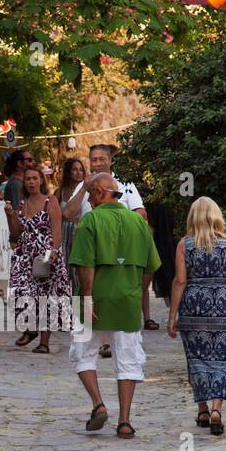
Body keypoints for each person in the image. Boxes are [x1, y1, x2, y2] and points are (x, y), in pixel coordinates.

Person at [68, 173, 161, 438]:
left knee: (83, 353)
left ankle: (98, 404)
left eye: (89, 193)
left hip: (95, 299)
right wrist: (136, 291)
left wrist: (86, 297)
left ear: (98, 193)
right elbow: (150, 267)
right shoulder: (138, 222)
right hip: (128, 301)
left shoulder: (91, 221)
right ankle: (124, 421)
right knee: (129, 359)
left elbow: (85, 265)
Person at [61, 142, 158, 340]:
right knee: (90, 287)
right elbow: (68, 214)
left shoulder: (125, 184)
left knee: (113, 290)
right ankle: (100, 336)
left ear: (110, 161)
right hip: (89, 244)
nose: (97, 163)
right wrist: (85, 189)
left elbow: (140, 212)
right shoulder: (83, 185)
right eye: (93, 159)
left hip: (119, 246)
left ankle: (116, 332)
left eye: (101, 159)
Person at [167, 196, 226, 436]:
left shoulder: (184, 244)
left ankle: (202, 410)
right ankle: (217, 409)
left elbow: (180, 281)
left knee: (196, 359)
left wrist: (172, 316)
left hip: (193, 307)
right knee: (222, 359)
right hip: (222, 306)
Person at [5, 165, 71, 353]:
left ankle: (44, 342)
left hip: (46, 253)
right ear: (24, 183)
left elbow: (57, 229)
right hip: (25, 254)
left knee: (47, 296)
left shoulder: (50, 201)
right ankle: (31, 327)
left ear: (41, 180)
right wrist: (10, 216)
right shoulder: (22, 204)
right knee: (22, 292)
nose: (32, 182)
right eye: (28, 179)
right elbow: (16, 232)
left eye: (35, 178)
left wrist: (53, 253)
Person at [55, 156, 86, 293]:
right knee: (64, 270)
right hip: (63, 234)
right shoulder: (60, 192)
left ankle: (79, 304)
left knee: (78, 272)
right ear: (68, 172)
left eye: (81, 170)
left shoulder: (87, 191)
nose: (78, 172)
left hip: (79, 233)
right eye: (75, 170)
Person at [2, 149, 36, 214]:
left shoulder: (21, 183)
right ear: (19, 163)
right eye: (29, 160)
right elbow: (18, 213)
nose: (33, 162)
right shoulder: (15, 185)